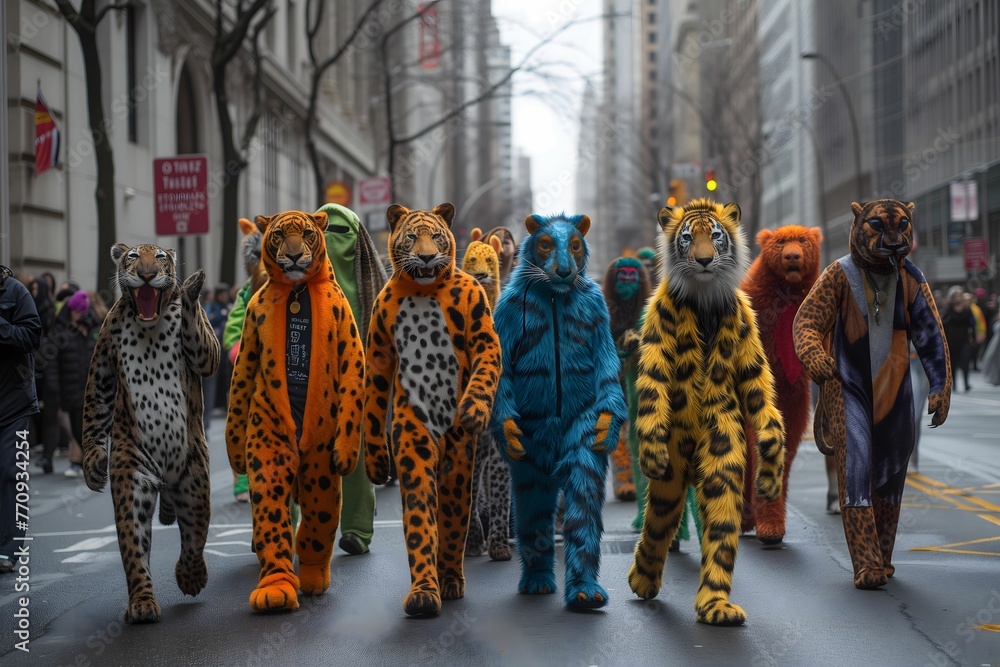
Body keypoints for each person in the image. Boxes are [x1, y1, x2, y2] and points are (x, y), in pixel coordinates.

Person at [0, 266, 42, 573]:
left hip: (14, 404)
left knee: (12, 473)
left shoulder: (15, 291)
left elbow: (32, 335)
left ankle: (9, 550)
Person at [47, 291, 98, 478]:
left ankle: (91, 463)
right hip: (70, 388)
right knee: (77, 428)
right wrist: (54, 387)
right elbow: (51, 362)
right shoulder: (60, 329)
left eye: (82, 312)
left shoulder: (92, 327)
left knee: (89, 428)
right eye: (76, 311)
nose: (78, 315)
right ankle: (88, 462)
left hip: (91, 389)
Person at [941, 286, 976, 392]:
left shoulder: (967, 309)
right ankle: (954, 384)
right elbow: (943, 324)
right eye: (955, 296)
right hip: (951, 340)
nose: (958, 298)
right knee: (953, 363)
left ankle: (966, 383)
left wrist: (973, 337)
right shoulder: (948, 310)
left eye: (960, 295)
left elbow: (972, 324)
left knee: (965, 361)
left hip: (964, 339)